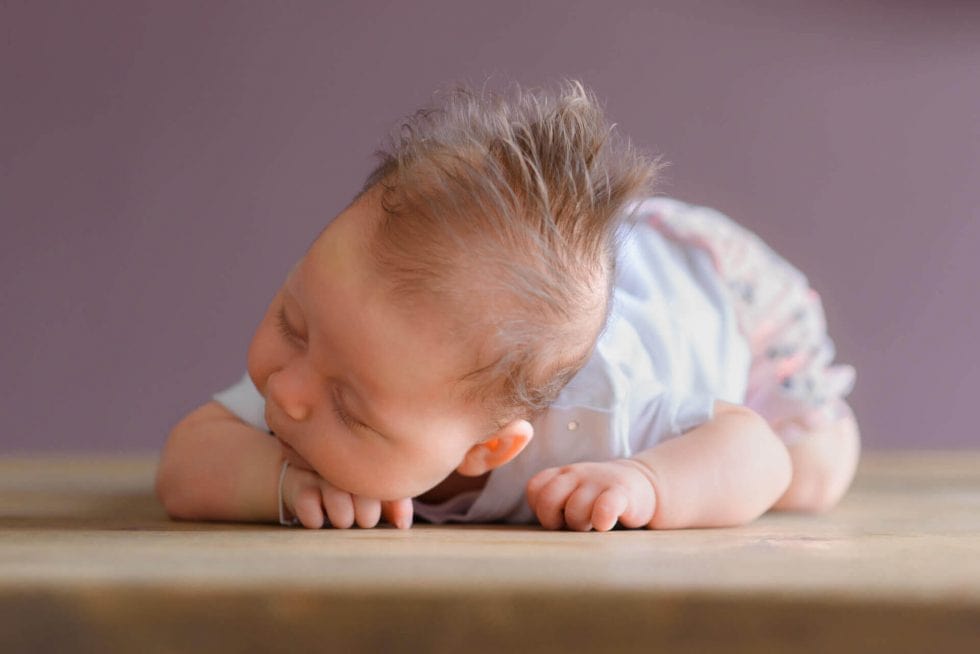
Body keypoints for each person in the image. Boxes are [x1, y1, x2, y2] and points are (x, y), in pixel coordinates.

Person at [156, 80, 859, 532]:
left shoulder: (602, 415)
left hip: (712, 293)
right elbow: (188, 462)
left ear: (491, 446)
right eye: (291, 321)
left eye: (351, 406)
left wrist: (647, 483)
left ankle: (834, 425)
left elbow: (754, 454)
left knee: (810, 474)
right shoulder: (331, 362)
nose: (288, 391)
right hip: (565, 270)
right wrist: (278, 481)